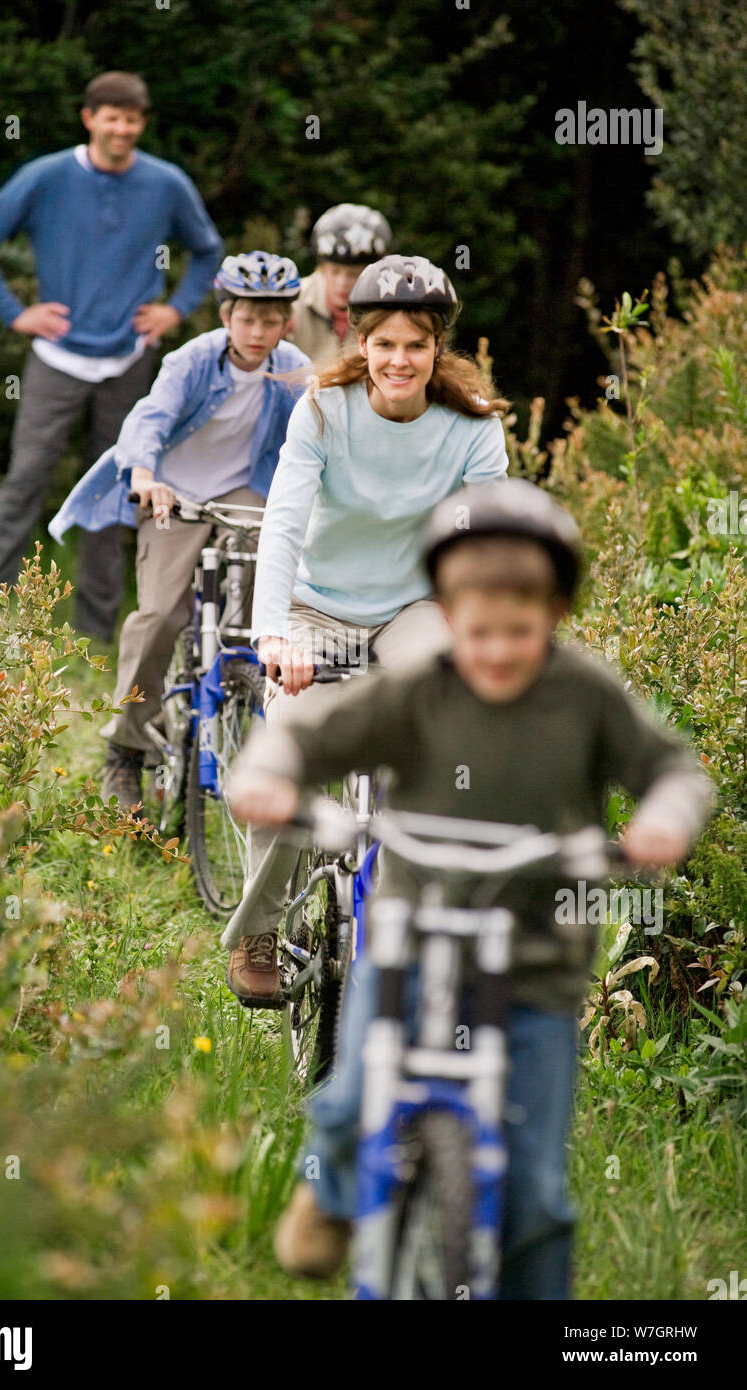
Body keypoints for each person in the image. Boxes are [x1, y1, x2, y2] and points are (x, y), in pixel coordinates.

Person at [226, 478, 714, 1298]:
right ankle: (334, 1192)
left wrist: (665, 817)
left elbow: (671, 769)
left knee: (535, 1196)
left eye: (518, 632)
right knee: (350, 1106)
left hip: (536, 971)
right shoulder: (420, 690)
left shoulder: (584, 697)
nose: (494, 651)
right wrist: (270, 774)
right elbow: (307, 734)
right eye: (476, 630)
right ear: (445, 616)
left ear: (556, 615)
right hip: (413, 932)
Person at [227, 253, 509, 1009]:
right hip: (316, 607)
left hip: (413, 609)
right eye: (385, 342)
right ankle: (258, 931)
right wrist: (272, 636)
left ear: (437, 349)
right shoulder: (322, 408)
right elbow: (284, 525)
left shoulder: (473, 425)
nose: (400, 360)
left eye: (417, 345)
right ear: (362, 340)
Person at [0, 70, 223, 640]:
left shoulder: (165, 183)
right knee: (25, 478)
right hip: (56, 357)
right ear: (89, 118)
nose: (122, 128)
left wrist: (175, 309)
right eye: (112, 117)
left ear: (141, 123)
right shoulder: (47, 176)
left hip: (130, 361)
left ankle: (96, 635)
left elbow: (208, 250)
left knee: (117, 489)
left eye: (132, 119)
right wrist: (14, 312)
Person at [48, 251, 311, 811]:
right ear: (225, 316)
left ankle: (240, 687)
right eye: (247, 319)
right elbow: (150, 418)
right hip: (172, 493)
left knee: (270, 595)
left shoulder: (294, 368)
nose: (259, 332)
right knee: (161, 615)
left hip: (243, 493)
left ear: (287, 321)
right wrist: (144, 475)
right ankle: (125, 746)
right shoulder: (192, 361)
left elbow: (320, 434)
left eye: (271, 320)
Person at [289, 204, 392, 364]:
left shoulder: (391, 308)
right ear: (322, 268)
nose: (342, 283)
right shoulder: (292, 300)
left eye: (354, 274)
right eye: (334, 271)